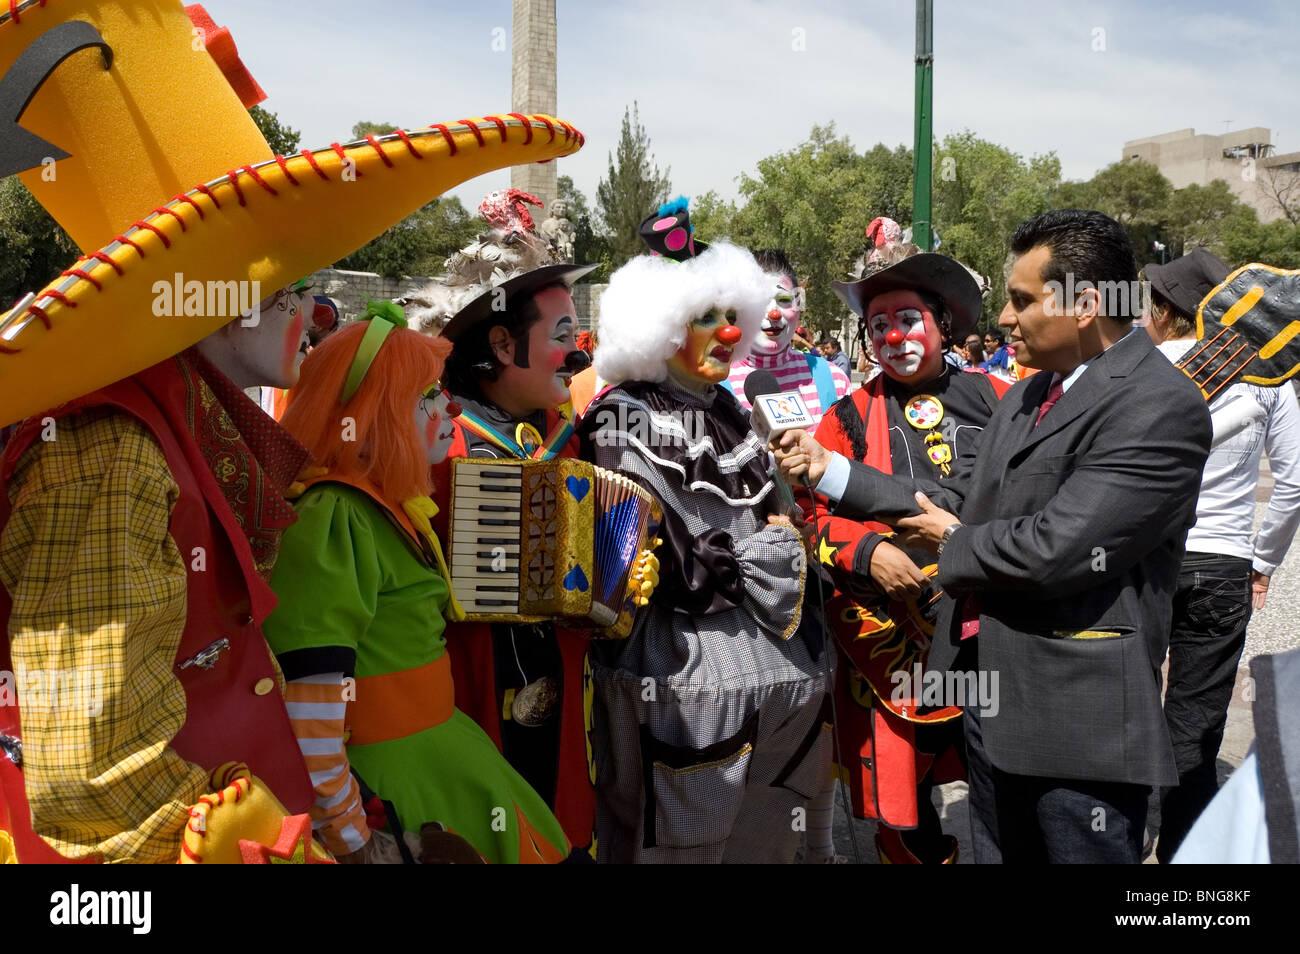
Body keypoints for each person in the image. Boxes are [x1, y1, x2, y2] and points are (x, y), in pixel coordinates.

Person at [0, 1, 584, 864]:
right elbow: (98, 800)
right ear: (219, 291)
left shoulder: (184, 430)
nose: (311, 307)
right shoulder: (112, 455)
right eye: (286, 277)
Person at [775, 209, 1212, 864]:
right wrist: (830, 471)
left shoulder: (1158, 404)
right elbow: (959, 501)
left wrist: (951, 543)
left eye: (1021, 301)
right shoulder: (1027, 395)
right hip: (991, 710)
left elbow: (1056, 548)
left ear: (1086, 304)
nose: (1004, 320)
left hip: (1077, 732)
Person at [263, 315, 572, 863]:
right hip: (395, 782)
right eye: (426, 395)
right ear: (374, 414)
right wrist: (354, 837)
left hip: (443, 753)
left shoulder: (384, 506)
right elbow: (311, 703)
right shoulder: (334, 515)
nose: (449, 408)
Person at [577, 206, 832, 863]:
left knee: (767, 837)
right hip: (677, 674)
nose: (728, 332)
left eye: (732, 317)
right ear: (660, 326)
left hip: (779, 671)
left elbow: (780, 524)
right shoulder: (619, 417)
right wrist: (753, 557)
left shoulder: (732, 409)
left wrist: (789, 538)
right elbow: (637, 552)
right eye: (704, 318)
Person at [806, 247, 1009, 863]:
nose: (893, 336)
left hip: (989, 626)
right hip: (894, 636)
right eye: (878, 325)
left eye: (908, 318)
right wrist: (866, 552)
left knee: (1000, 780)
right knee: (902, 793)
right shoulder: (843, 417)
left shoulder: (1006, 397)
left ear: (943, 323)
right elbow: (807, 515)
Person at [432, 261, 608, 855]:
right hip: (475, 676)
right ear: (504, 346)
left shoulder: (568, 434)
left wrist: (620, 582)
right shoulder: (441, 437)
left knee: (562, 827)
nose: (577, 352)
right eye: (561, 336)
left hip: (565, 669)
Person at [1140, 248, 1300, 862]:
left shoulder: (1138, 371)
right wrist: (1262, 560)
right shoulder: (1269, 379)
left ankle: (1124, 830)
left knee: (1128, 699)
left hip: (1145, 559)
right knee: (1198, 720)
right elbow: (1291, 482)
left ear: (1162, 310)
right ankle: (1187, 854)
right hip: (1224, 564)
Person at [724, 248, 851, 431]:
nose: (774, 314)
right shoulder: (713, 384)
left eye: (784, 299)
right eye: (760, 301)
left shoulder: (834, 379)